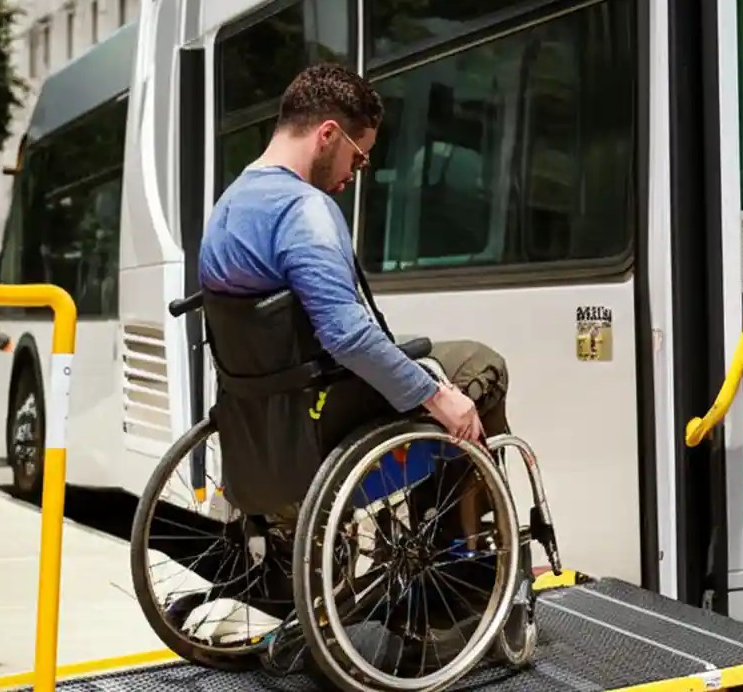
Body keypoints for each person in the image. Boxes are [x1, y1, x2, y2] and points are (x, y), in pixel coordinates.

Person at [197, 62, 510, 539]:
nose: (355, 174)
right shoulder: (305, 211)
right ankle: (458, 553)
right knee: (478, 365)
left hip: (266, 429)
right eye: (358, 157)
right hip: (323, 422)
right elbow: (348, 336)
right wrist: (438, 396)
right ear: (327, 134)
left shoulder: (228, 208)